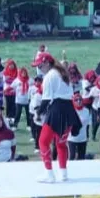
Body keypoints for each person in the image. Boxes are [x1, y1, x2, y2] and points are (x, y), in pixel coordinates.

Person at [36, 53, 81, 182]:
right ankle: (63, 173)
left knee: (43, 142)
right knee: (61, 143)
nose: (39, 68)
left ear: (46, 63)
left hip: (56, 110)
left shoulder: (49, 76)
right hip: (68, 110)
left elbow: (45, 99)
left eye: (40, 65)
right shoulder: (62, 73)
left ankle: (49, 174)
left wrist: (38, 113)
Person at [68, 92, 90, 160]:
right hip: (72, 138)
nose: (78, 101)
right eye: (76, 100)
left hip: (82, 138)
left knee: (81, 158)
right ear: (73, 101)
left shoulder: (86, 110)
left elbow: (86, 124)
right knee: (72, 156)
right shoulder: (70, 111)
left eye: (80, 99)